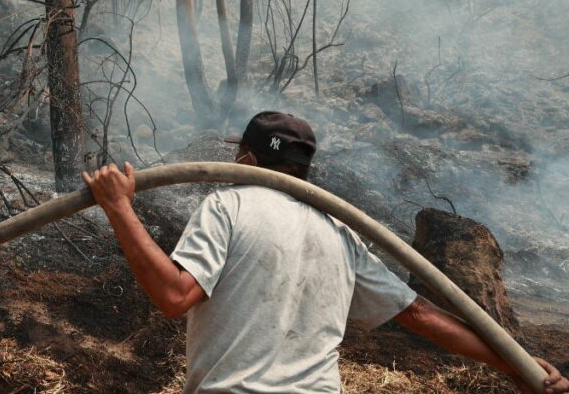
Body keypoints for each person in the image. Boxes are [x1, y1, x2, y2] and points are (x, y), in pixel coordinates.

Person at [83, 111, 569, 394]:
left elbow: (174, 296)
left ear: (245, 158)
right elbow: (419, 314)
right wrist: (517, 364)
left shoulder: (228, 205)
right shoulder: (340, 231)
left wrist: (119, 208)